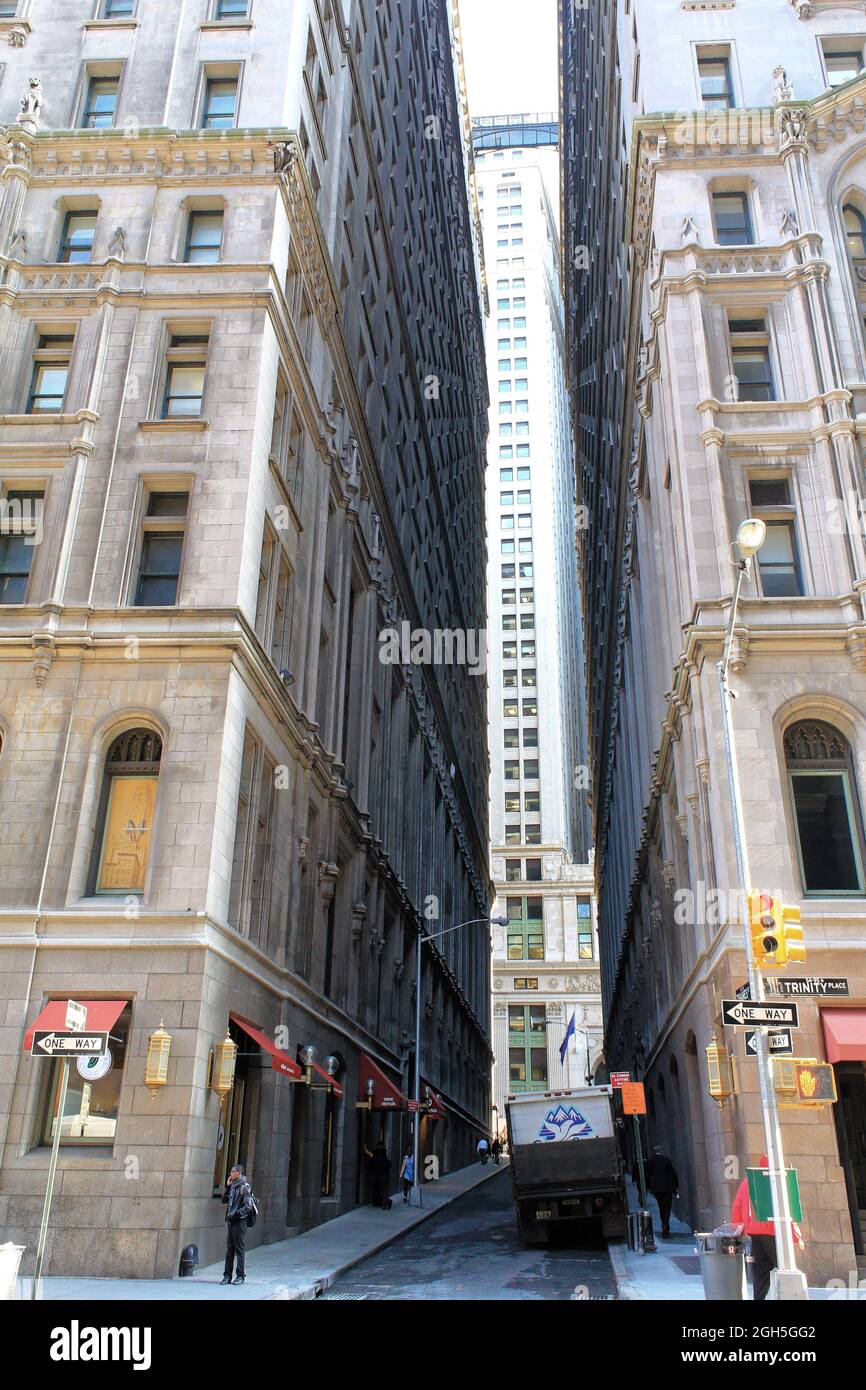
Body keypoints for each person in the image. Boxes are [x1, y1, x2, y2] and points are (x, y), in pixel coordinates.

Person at [731, 1154, 805, 1301]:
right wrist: (797, 1237)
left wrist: (738, 1231)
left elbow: (737, 1206)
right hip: (773, 1232)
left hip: (755, 1234)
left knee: (761, 1272)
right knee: (785, 1267)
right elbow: (788, 1211)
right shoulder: (777, 1179)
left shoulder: (748, 1181)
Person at [221, 1162, 253, 1285]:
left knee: (239, 1249)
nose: (230, 1174)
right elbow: (224, 1200)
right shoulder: (233, 1186)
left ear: (239, 1173)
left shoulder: (245, 1187)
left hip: (240, 1222)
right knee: (230, 1249)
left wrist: (236, 1214)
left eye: (233, 1172)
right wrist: (228, 1187)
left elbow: (248, 1206)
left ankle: (240, 1276)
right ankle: (227, 1276)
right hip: (231, 1221)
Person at [643, 1144, 679, 1238]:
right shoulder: (666, 1160)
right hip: (667, 1188)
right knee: (667, 1207)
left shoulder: (650, 1161)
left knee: (661, 1207)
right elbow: (673, 1173)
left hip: (657, 1189)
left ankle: (664, 1223)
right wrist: (676, 1186)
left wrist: (648, 1186)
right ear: (661, 1151)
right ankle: (665, 1223)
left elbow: (646, 1174)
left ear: (654, 1152)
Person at [363, 1139, 392, 1209]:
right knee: (384, 1190)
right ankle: (387, 1202)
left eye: (378, 1146)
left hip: (381, 1175)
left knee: (382, 1190)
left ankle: (385, 1203)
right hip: (385, 1175)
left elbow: (373, 1157)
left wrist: (366, 1150)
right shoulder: (383, 1153)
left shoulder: (380, 1154)